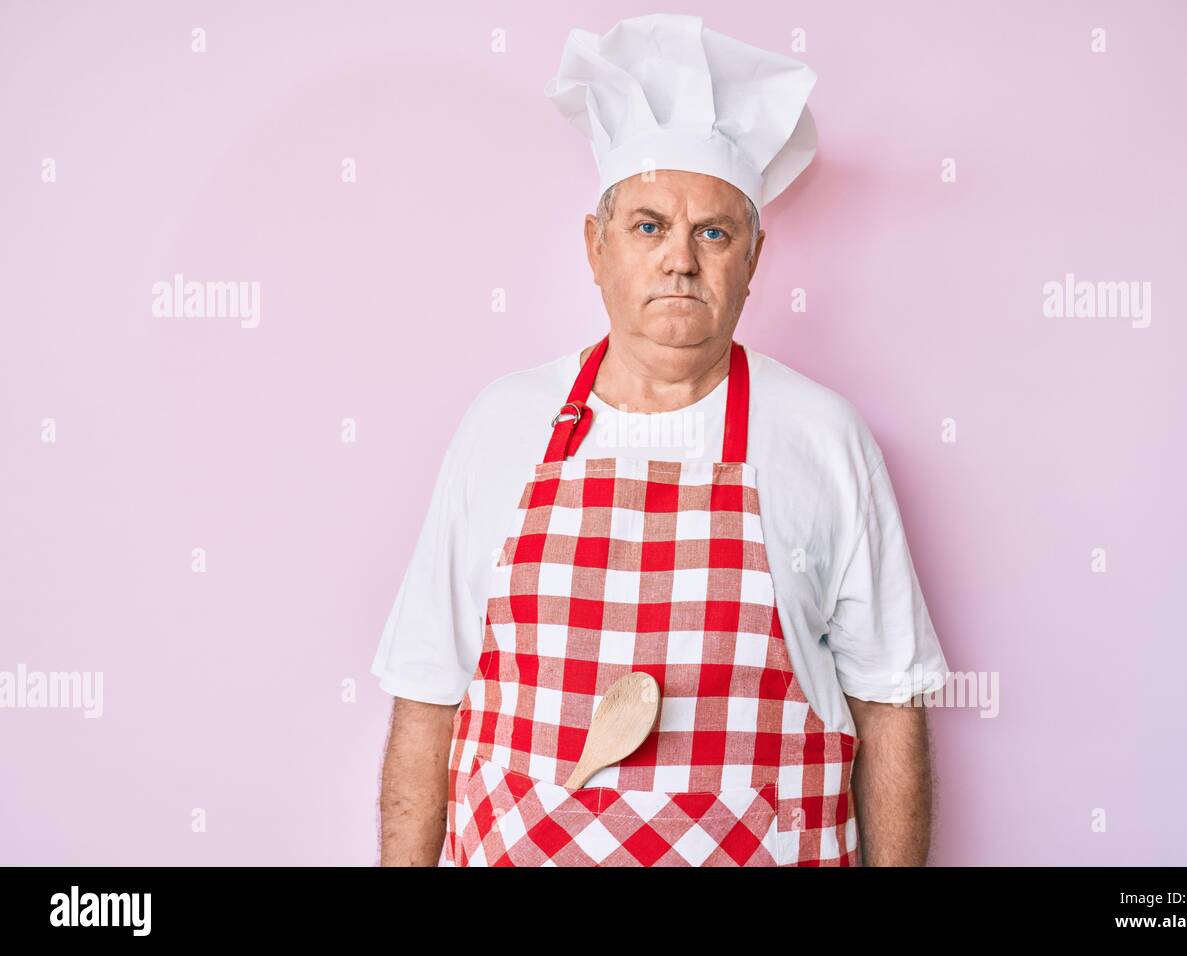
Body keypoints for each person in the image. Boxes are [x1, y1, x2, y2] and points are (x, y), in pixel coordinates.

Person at [371, 13, 949, 867]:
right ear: (596, 247)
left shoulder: (823, 436)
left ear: (754, 258)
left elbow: (891, 707)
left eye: (714, 232)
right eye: (647, 226)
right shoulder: (502, 424)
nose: (680, 259)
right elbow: (428, 699)